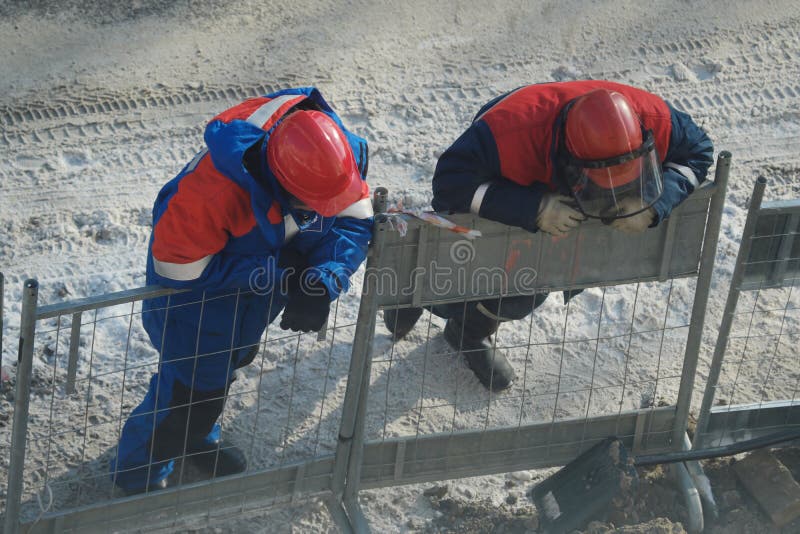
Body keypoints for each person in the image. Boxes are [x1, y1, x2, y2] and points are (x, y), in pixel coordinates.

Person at [110, 87, 373, 495]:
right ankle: (137, 472)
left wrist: (324, 279)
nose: (324, 211)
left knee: (230, 366)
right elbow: (179, 270)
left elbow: (353, 219)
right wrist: (279, 275)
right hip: (197, 305)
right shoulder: (208, 194)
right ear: (282, 186)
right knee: (185, 394)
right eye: (314, 205)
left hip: (255, 297)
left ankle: (199, 436)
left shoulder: (335, 158)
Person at [385, 80, 714, 392]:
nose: (610, 197)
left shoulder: (655, 118)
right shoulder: (509, 133)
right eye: (600, 185)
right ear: (570, 160)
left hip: (557, 185)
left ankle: (468, 333)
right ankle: (424, 293)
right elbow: (450, 182)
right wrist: (533, 207)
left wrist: (654, 205)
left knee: (527, 290)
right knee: (476, 266)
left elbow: (698, 150)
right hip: (513, 177)